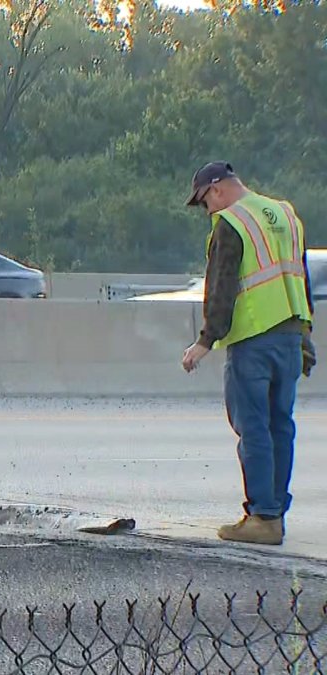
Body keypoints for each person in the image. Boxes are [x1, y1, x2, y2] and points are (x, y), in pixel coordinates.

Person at [181, 161, 315, 546]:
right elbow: (299, 277)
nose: (208, 211)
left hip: (254, 339)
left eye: (205, 202)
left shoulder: (232, 222)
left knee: (253, 427)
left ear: (217, 190)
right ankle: (274, 513)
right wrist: (305, 336)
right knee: (280, 426)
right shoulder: (285, 214)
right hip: (290, 336)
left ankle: (263, 518)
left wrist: (204, 342)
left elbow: (222, 286)